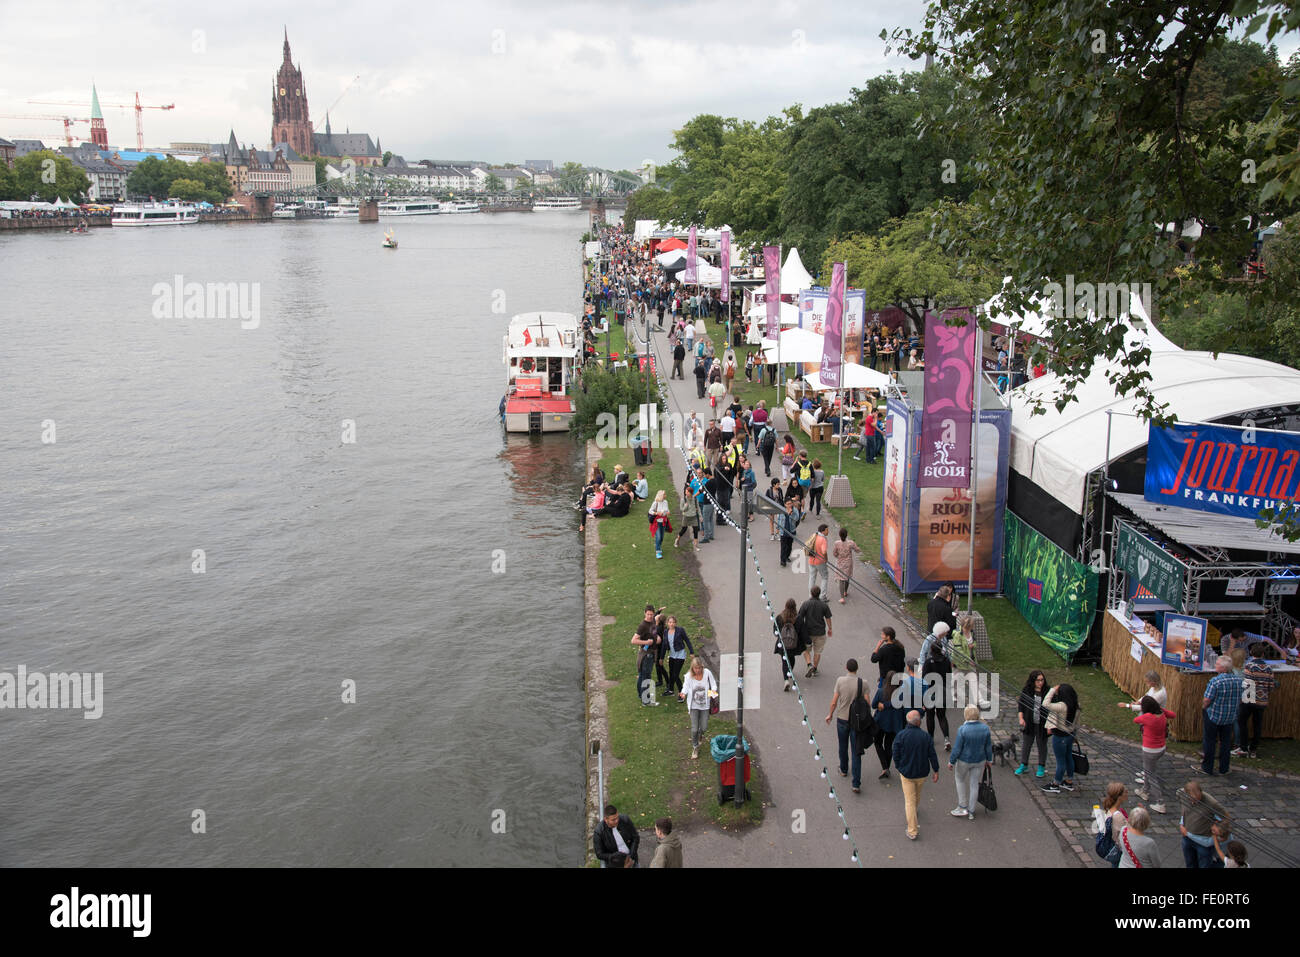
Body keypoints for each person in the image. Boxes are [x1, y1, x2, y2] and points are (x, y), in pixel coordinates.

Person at [892, 710, 940, 841]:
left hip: (907, 773)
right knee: (917, 795)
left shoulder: (901, 735)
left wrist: (899, 766)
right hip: (922, 772)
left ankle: (912, 830)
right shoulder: (926, 737)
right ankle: (914, 811)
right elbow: (932, 755)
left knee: (909, 801)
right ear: (919, 722)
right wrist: (936, 770)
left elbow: (895, 753)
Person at [827, 658, 869, 793]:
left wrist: (830, 714)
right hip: (856, 722)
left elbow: (834, 701)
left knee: (843, 746)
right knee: (856, 751)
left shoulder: (840, 681)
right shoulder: (863, 683)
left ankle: (844, 769)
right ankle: (856, 783)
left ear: (846, 668)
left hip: (842, 719)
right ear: (857, 669)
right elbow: (867, 704)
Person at [947, 704, 992, 819]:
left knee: (960, 780)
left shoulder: (963, 729)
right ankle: (971, 810)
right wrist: (989, 759)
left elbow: (957, 748)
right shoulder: (985, 728)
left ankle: (962, 806)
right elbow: (988, 746)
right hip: (979, 760)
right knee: (974, 784)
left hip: (964, 760)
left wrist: (951, 761)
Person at [1200, 657, 1243, 776]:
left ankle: (1207, 767)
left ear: (1223, 668)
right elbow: (1241, 698)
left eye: (1217, 664)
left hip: (1214, 715)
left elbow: (1207, 700)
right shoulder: (1239, 681)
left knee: (1210, 741)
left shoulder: (1215, 681)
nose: (1216, 665)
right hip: (1229, 716)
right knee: (1225, 743)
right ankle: (1224, 767)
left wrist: (1204, 707)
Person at [1134, 695, 1176, 814]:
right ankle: (1145, 790)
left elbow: (1136, 720)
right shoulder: (1162, 713)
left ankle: (1160, 802)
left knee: (1150, 775)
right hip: (1161, 748)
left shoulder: (1147, 717)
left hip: (1149, 750)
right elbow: (1173, 715)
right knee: (1148, 770)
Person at [1179, 780, 1231, 868]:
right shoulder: (1181, 794)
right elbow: (1184, 811)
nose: (1194, 802)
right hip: (1187, 838)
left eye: (1198, 799)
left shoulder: (1212, 803)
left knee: (1204, 865)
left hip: (1203, 841)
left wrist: (1218, 827)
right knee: (1190, 864)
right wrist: (1181, 823)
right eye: (1192, 799)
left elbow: (1227, 817)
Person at [1235, 643, 1274, 759]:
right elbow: (1271, 686)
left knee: (1242, 722)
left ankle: (1243, 747)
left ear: (1251, 653)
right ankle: (1253, 749)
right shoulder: (1268, 668)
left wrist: (1245, 699)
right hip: (1262, 700)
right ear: (1263, 654)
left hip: (1249, 699)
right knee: (1257, 725)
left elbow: (1248, 683)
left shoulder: (1249, 666)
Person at [918, 621, 954, 751]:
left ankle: (931, 738)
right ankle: (946, 739)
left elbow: (924, 679)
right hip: (942, 691)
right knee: (942, 715)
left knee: (930, 716)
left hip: (930, 692)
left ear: (931, 650)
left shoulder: (928, 662)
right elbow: (949, 677)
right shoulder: (946, 661)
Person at [1039, 683, 1080, 793]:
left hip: (1060, 736)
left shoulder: (1062, 706)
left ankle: (1055, 784)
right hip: (1070, 735)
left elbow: (1045, 704)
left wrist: (1052, 690)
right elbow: (1076, 724)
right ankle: (1069, 781)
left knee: (1060, 761)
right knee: (1068, 757)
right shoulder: (1076, 705)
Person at [679, 656, 717, 760]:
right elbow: (685, 687)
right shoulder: (688, 676)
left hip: (705, 705)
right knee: (694, 729)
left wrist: (713, 691)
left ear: (702, 667)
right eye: (696, 668)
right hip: (694, 706)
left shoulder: (707, 673)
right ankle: (695, 747)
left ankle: (701, 735)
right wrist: (683, 693)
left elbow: (713, 685)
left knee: (704, 727)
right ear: (692, 668)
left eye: (699, 668)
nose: (698, 670)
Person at [1015, 670, 1050, 778]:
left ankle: (1041, 766)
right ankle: (1024, 764)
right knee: (1026, 744)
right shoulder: (1027, 690)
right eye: (1038, 680)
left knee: (1041, 745)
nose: (1040, 682)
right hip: (1029, 722)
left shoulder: (1048, 691)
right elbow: (1021, 705)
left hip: (1042, 724)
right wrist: (1021, 718)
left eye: (1042, 680)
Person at [872, 669, 907, 778]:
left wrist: (883, 705)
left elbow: (873, 704)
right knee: (888, 745)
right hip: (895, 724)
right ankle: (886, 766)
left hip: (881, 722)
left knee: (877, 742)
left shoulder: (881, 692)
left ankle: (885, 767)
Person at [798, 585, 832, 678]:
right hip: (820, 632)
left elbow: (800, 617)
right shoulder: (823, 605)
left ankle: (809, 665)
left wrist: (799, 629)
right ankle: (815, 669)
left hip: (808, 632)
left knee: (806, 650)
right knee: (818, 652)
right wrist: (830, 628)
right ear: (819, 593)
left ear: (811, 593)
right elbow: (828, 617)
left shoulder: (806, 604)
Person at [632, 605, 661, 706]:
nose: (650, 616)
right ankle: (646, 701)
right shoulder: (642, 626)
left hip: (651, 653)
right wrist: (646, 642)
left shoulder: (652, 620)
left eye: (651, 614)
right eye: (648, 614)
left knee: (641, 676)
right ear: (644, 613)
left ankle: (640, 695)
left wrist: (656, 637)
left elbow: (653, 628)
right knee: (646, 677)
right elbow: (633, 640)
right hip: (646, 655)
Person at [774, 597, 802, 692]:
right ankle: (790, 672)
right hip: (794, 644)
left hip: (782, 644)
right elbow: (801, 631)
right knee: (791, 658)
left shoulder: (779, 617)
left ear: (785, 606)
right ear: (795, 607)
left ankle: (786, 679)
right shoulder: (798, 618)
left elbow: (775, 631)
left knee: (784, 660)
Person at [661, 615, 694, 695]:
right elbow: (664, 645)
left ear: (675, 623)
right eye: (670, 622)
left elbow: (687, 640)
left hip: (680, 655)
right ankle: (671, 690)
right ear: (667, 623)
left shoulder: (680, 630)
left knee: (675, 675)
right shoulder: (665, 632)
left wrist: (691, 652)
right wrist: (661, 658)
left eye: (673, 622)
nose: (671, 624)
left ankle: (682, 692)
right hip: (672, 656)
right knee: (671, 673)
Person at [1100, 781, 1130, 867]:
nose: (1127, 792)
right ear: (1119, 796)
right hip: (1119, 851)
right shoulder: (1118, 817)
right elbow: (1120, 837)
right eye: (1125, 791)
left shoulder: (1111, 809)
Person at [831, 527, 861, 604]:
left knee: (841, 579)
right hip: (848, 563)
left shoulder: (837, 543)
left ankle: (842, 597)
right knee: (847, 578)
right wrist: (859, 548)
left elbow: (834, 554)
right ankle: (845, 591)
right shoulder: (851, 543)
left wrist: (838, 555)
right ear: (847, 535)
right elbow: (857, 550)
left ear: (839, 535)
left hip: (840, 562)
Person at [674, 481, 700, 551]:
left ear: (691, 493)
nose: (686, 493)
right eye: (686, 491)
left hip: (694, 517)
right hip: (686, 517)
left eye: (687, 492)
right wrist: (685, 506)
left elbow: (698, 508)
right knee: (683, 530)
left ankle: (696, 546)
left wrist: (700, 516)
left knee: (695, 530)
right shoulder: (683, 500)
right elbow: (682, 509)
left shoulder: (694, 499)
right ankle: (677, 540)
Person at [806, 523, 830, 596]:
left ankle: (811, 595)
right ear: (823, 531)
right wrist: (826, 558)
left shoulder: (814, 535)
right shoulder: (823, 539)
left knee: (812, 578)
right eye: (827, 530)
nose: (828, 532)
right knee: (824, 577)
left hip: (811, 560)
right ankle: (822, 596)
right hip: (820, 562)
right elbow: (824, 551)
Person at [778, 496, 802, 567]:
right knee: (783, 547)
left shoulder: (794, 510)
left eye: (791, 503)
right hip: (783, 531)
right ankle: (782, 561)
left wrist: (791, 514)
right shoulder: (781, 510)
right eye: (788, 504)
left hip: (791, 531)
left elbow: (797, 518)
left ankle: (786, 556)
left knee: (789, 546)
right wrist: (778, 528)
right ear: (785, 504)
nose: (789, 505)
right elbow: (779, 519)